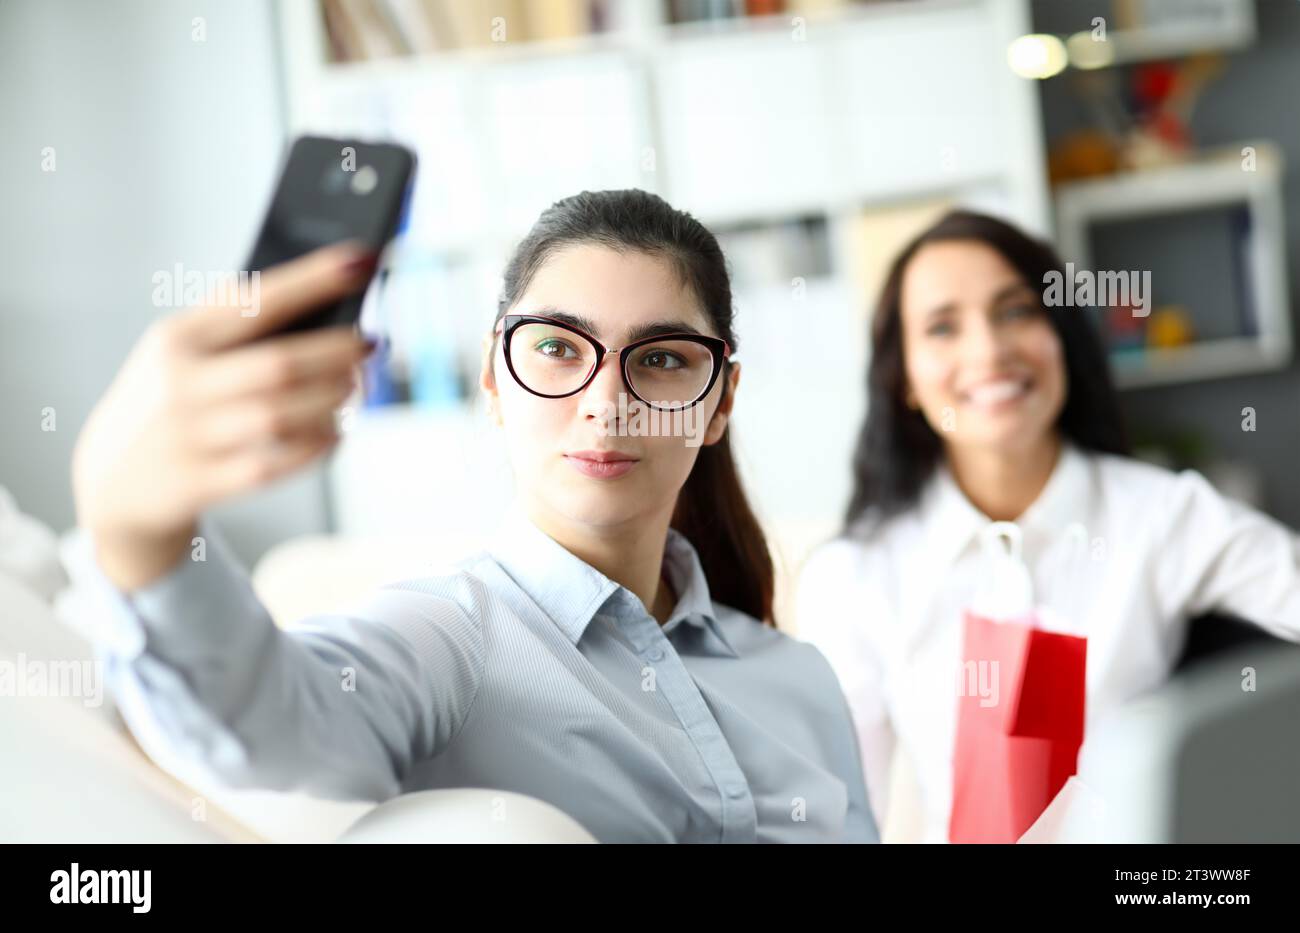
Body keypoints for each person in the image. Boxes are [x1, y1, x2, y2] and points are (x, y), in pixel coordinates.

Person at [71, 188, 877, 844]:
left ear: (718, 402)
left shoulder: (798, 679)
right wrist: (139, 531)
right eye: (559, 347)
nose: (608, 404)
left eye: (662, 359)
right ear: (495, 377)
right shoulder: (449, 641)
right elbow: (263, 720)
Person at [795, 209, 1300, 842]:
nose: (989, 350)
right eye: (943, 327)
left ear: (1061, 335)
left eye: (1015, 311)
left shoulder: (1165, 515)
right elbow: (836, 818)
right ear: (905, 382)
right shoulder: (853, 575)